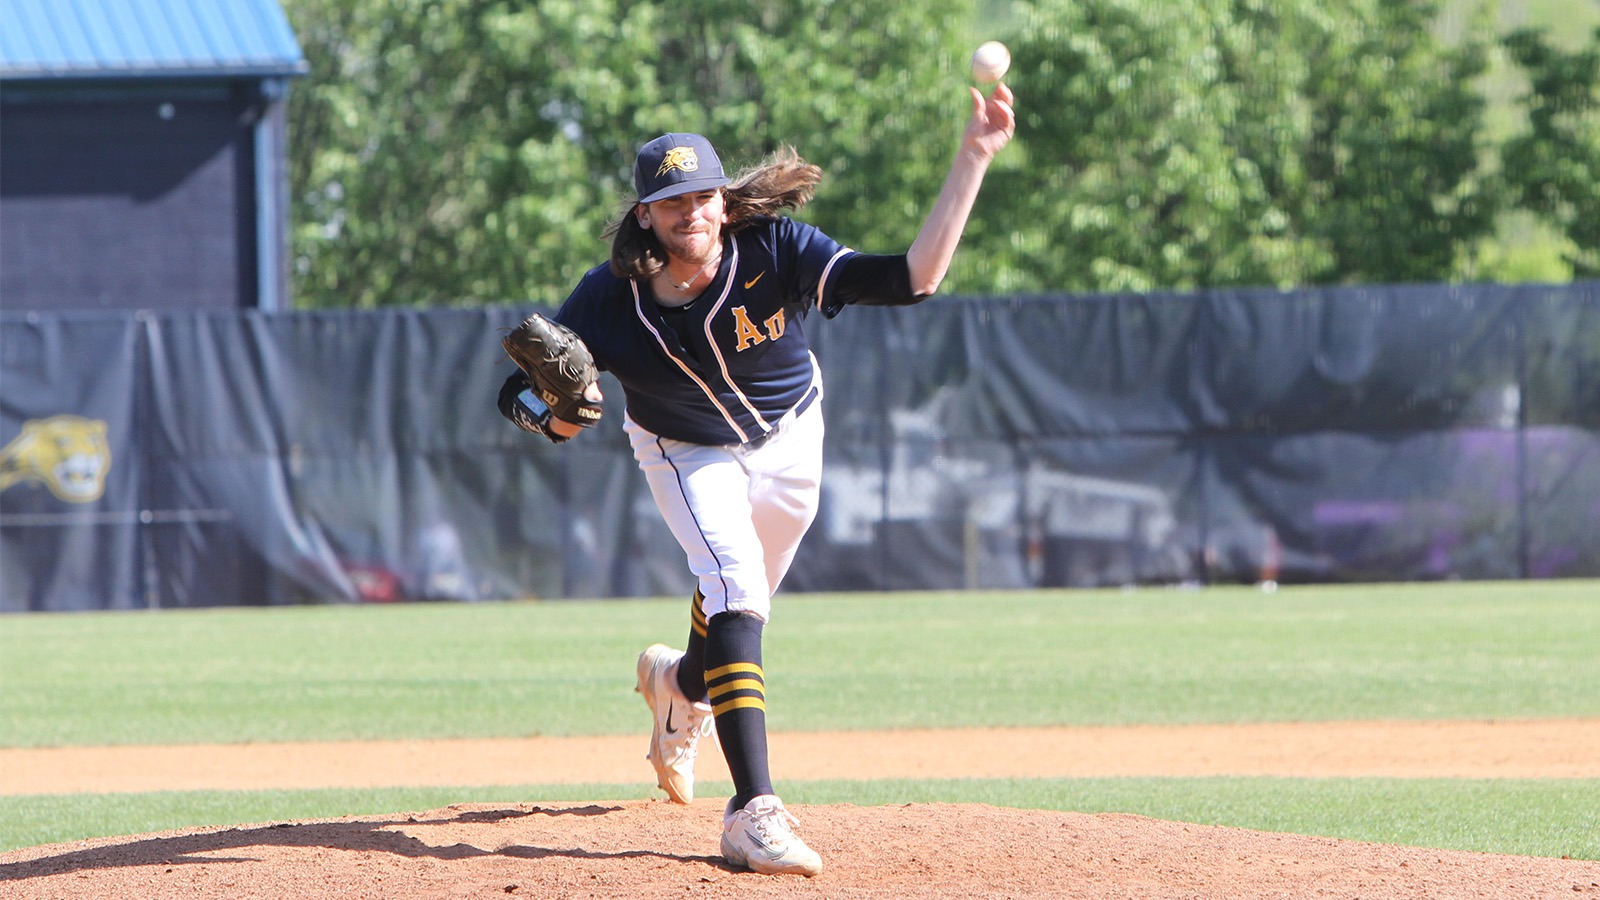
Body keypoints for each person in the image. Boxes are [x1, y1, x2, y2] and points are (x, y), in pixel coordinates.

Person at [498, 81, 1015, 876]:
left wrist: (973, 158)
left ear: (724, 202)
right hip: (684, 450)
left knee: (738, 612)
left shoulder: (777, 249)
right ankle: (753, 812)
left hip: (792, 436)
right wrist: (572, 406)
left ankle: (677, 684)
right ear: (646, 214)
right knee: (736, 588)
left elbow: (912, 278)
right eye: (671, 202)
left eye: (703, 195)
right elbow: (539, 407)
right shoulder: (609, 301)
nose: (690, 213)